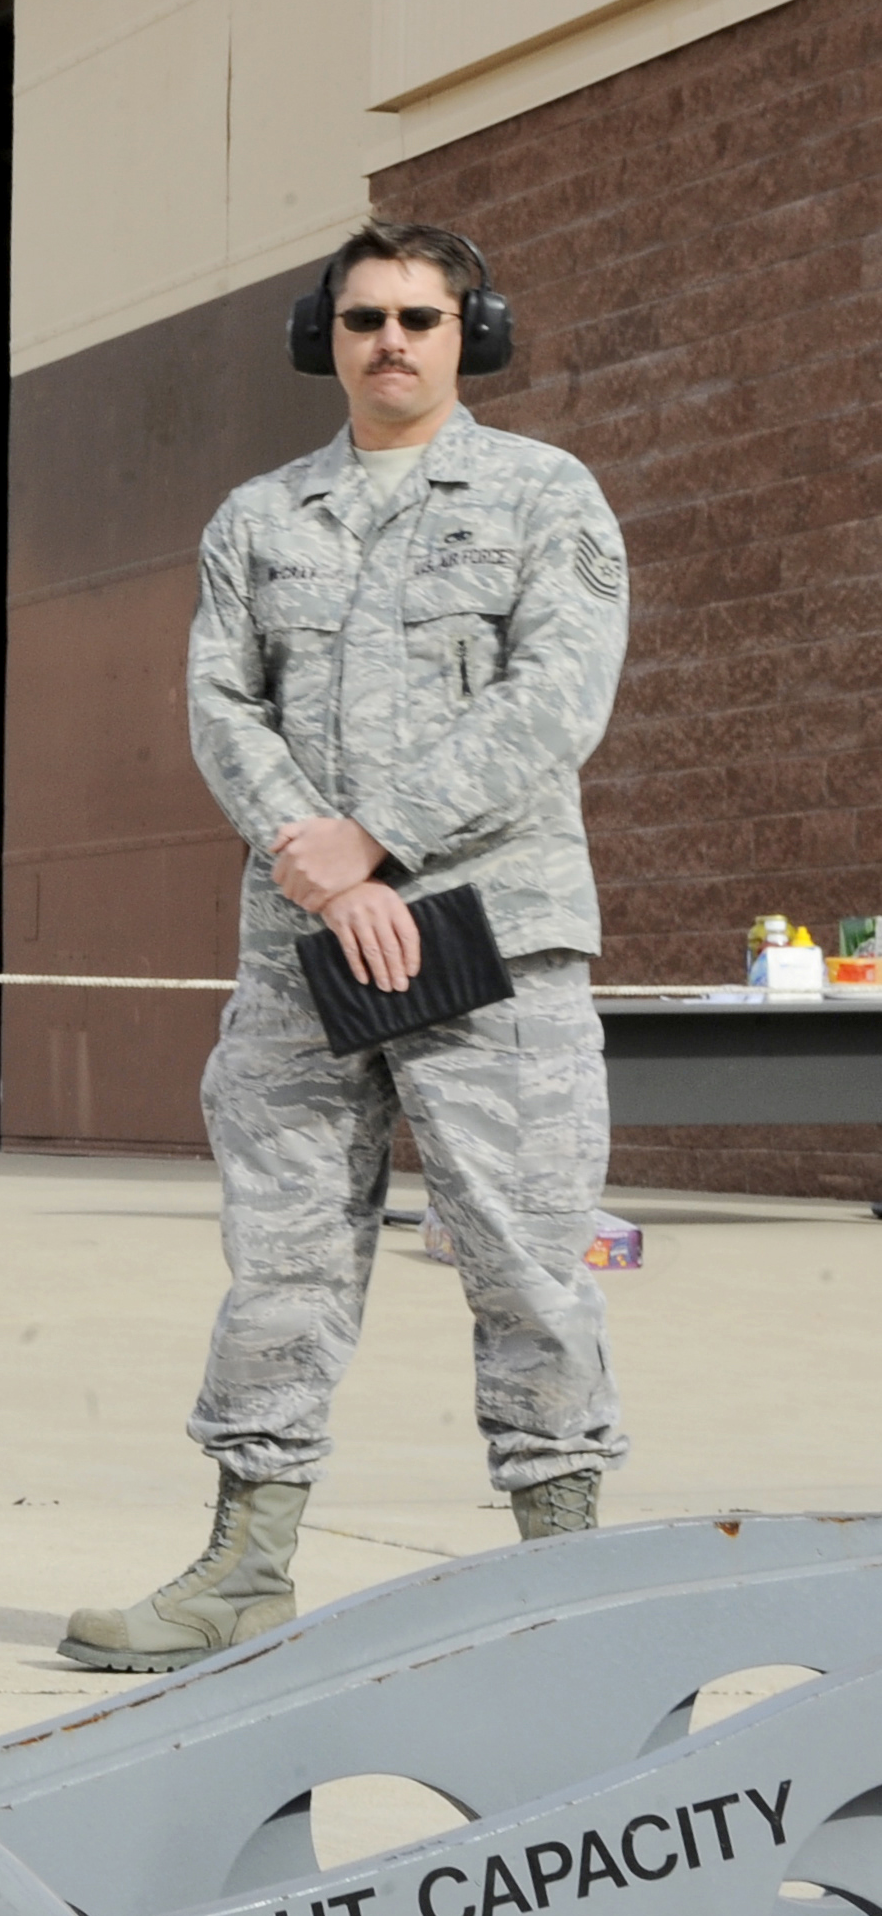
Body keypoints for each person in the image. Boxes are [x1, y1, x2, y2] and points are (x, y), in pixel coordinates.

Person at [61, 220, 631, 1674]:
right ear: (330, 337)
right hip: (304, 955)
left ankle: (571, 1584)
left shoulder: (542, 498)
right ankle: (245, 1569)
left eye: (423, 318)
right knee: (282, 1263)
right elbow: (219, 710)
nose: (393, 341)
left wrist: (374, 840)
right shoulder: (261, 519)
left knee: (524, 1260)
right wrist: (324, 878)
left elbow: (555, 704)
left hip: (490, 938)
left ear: (469, 334)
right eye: (367, 317)